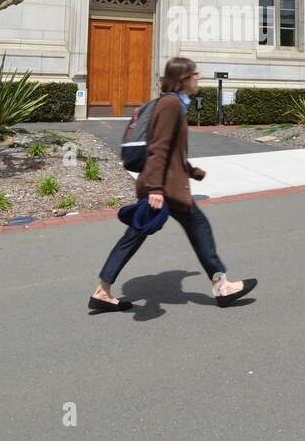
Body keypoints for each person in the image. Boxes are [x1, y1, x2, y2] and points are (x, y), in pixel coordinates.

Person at [90, 56, 256, 312]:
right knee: (195, 227)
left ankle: (102, 291)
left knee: (137, 235)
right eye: (194, 74)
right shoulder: (171, 105)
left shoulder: (174, 104)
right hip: (165, 188)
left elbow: (172, 150)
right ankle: (222, 286)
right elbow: (159, 148)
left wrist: (192, 171)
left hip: (166, 185)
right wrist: (156, 189)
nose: (199, 77)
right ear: (183, 79)